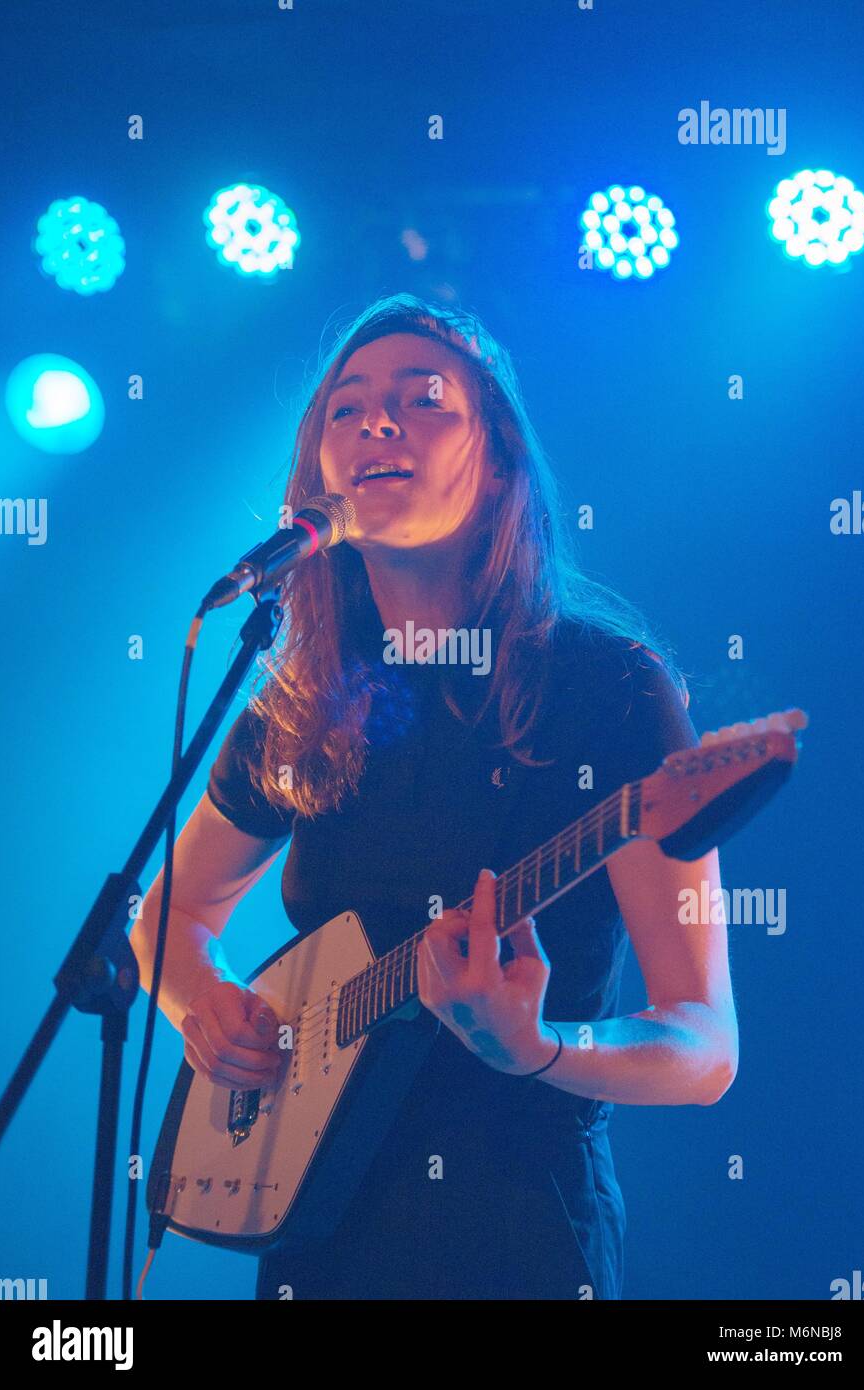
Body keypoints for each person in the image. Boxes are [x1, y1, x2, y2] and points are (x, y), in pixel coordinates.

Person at [131, 293, 738, 1300]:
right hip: (313, 1229)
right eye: (348, 408)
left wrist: (538, 1049)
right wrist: (208, 1007)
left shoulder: (611, 688)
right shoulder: (298, 705)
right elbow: (168, 915)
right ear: (314, 483)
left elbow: (703, 1044)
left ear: (499, 463)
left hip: (518, 1235)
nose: (378, 421)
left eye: (424, 400)